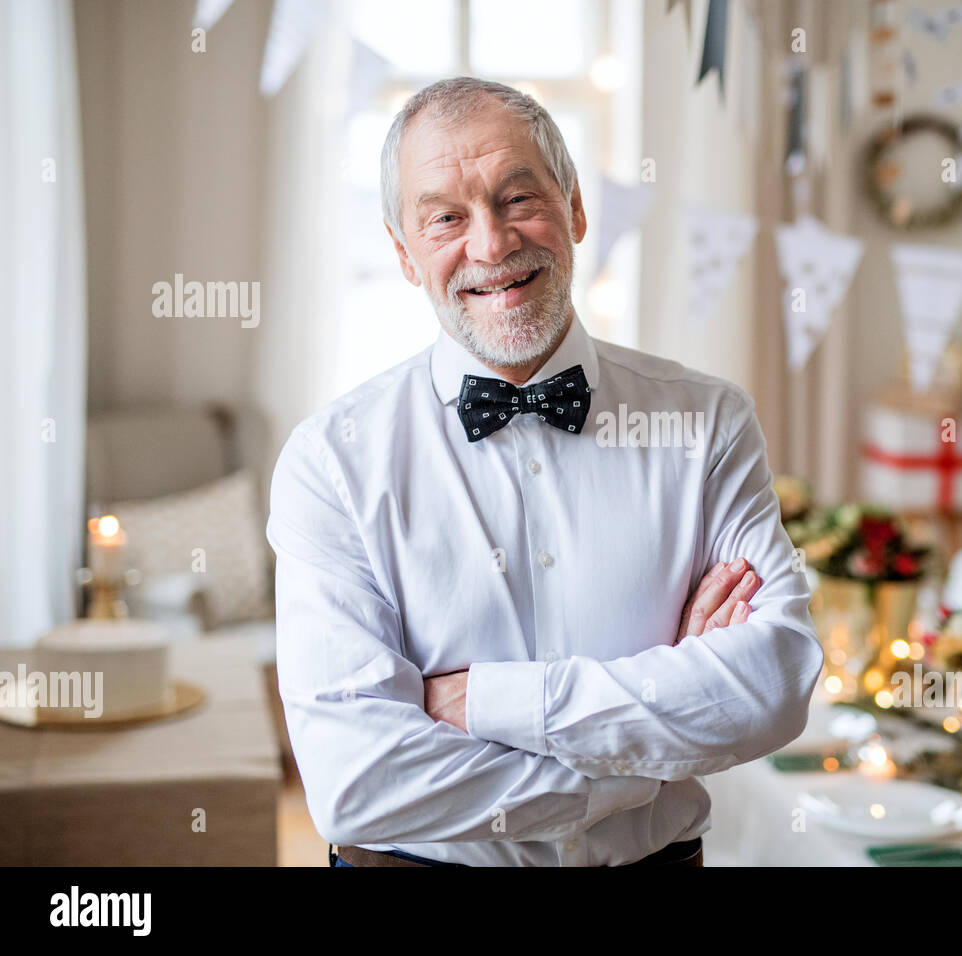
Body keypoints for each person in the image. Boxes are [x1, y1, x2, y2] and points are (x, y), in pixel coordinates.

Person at [267, 76, 823, 867]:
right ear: (402, 252)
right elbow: (357, 781)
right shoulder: (332, 463)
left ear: (575, 208)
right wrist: (639, 769)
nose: (491, 245)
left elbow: (772, 685)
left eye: (517, 199)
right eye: (446, 218)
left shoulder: (707, 423)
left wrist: (484, 703)